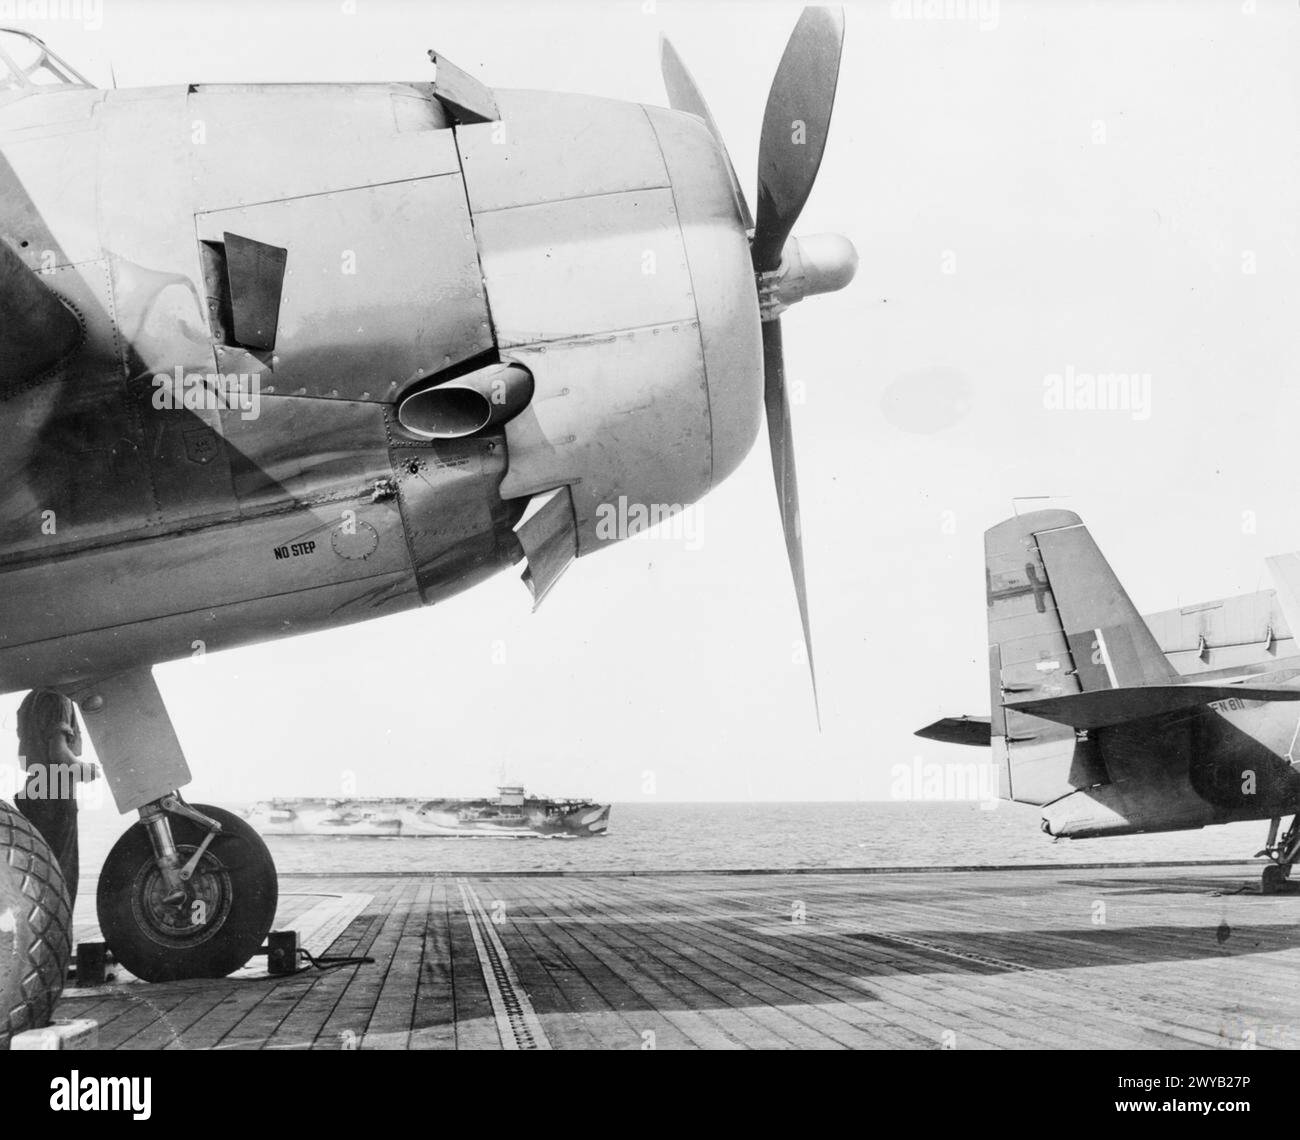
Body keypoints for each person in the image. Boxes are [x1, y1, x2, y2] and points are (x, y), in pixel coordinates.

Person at [14, 689, 100, 912]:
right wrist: (86, 770)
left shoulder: (31, 699)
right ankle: (57, 936)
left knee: (38, 875)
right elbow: (59, 754)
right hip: (56, 792)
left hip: (34, 787)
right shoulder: (58, 698)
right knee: (62, 877)